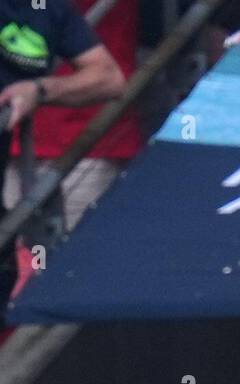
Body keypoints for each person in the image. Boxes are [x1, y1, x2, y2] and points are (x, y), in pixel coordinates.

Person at [0, 0, 124, 310]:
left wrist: (40, 90)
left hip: (71, 155)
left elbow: (109, 78)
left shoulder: (46, 8)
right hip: (25, 159)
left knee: (53, 276)